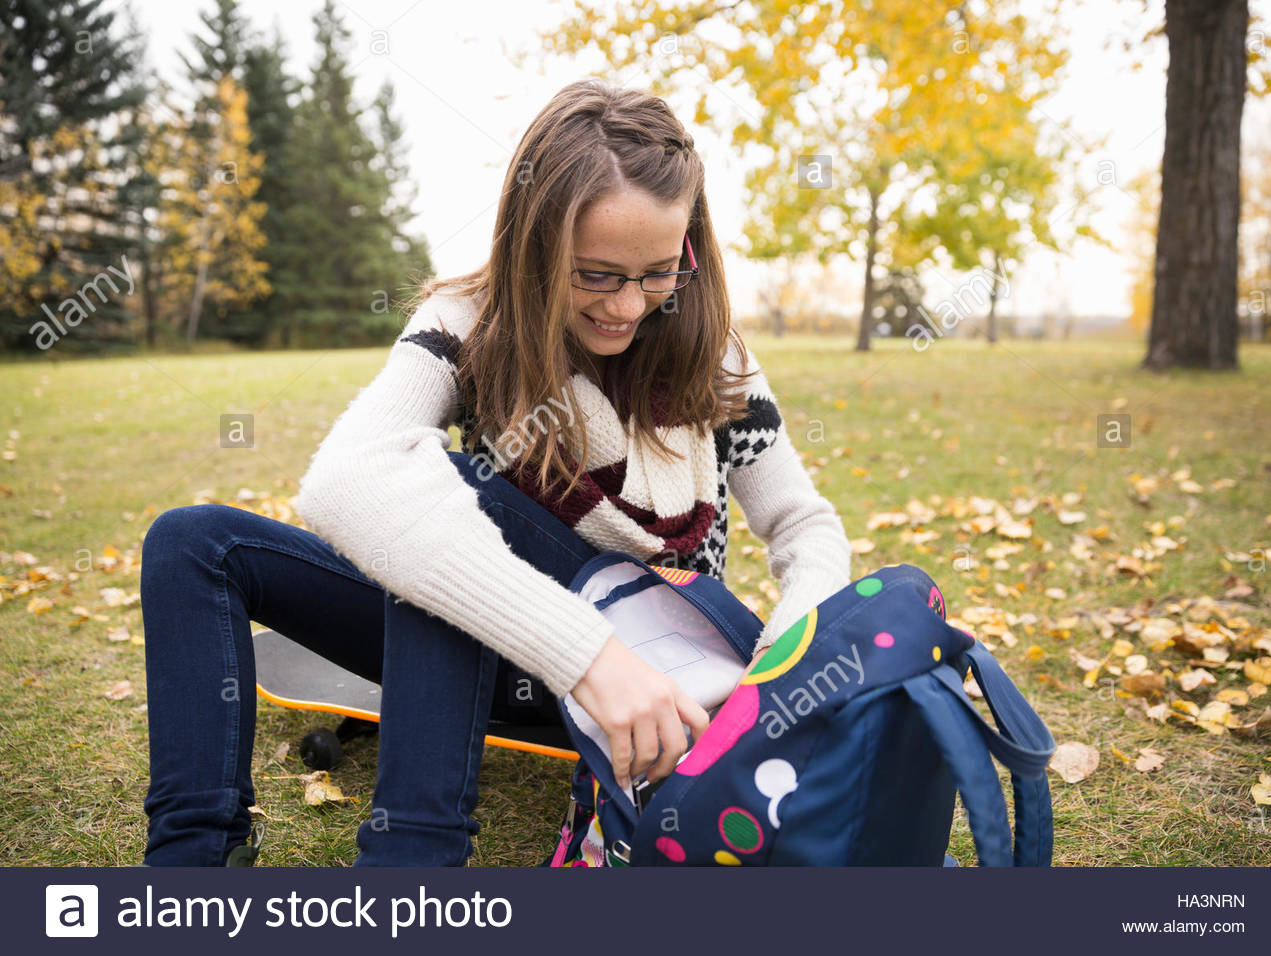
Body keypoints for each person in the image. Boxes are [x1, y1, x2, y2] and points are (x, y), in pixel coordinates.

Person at [139, 78, 851, 867]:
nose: (628, 306)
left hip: (651, 673)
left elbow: (805, 526)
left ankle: (412, 867)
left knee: (450, 492)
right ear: (534, 246)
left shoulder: (715, 357)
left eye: (657, 273)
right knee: (193, 542)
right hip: (538, 647)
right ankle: (192, 867)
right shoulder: (467, 322)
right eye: (595, 274)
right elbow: (347, 476)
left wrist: (777, 675)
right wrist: (587, 656)